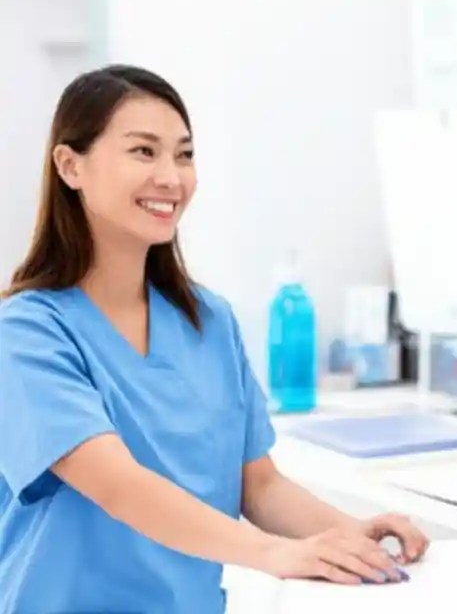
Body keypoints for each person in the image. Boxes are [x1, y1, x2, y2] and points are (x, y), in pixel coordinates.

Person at [0, 65, 430, 613]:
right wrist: (276, 554)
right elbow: (118, 486)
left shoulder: (209, 321)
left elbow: (259, 486)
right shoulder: (27, 333)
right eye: (143, 151)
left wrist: (350, 534)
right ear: (70, 165)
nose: (171, 177)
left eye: (184, 155)